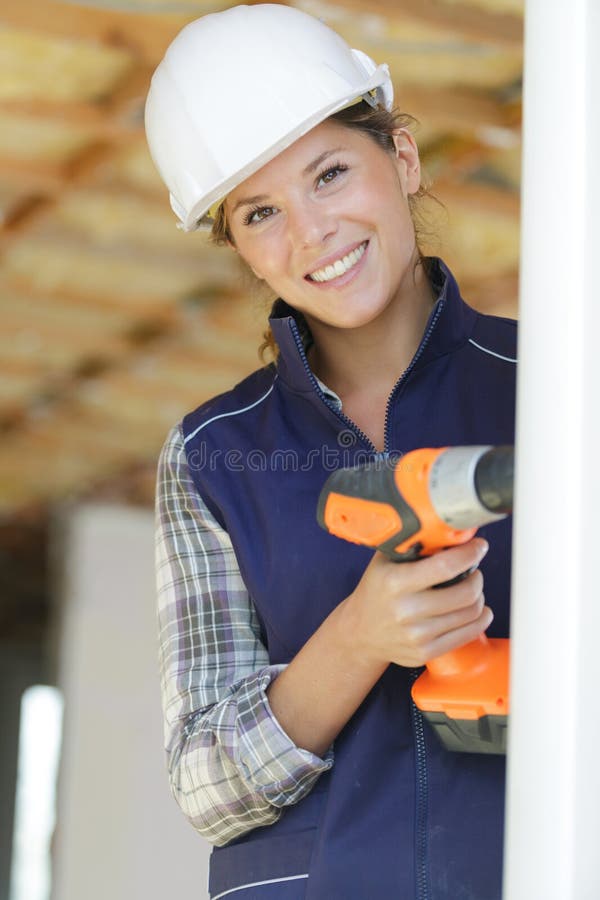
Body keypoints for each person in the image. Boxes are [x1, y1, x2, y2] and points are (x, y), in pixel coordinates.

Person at [148, 5, 517, 899]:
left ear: (403, 156)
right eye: (262, 210)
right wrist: (359, 637)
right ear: (237, 244)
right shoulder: (213, 453)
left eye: (331, 173)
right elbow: (207, 786)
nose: (310, 233)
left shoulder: (558, 390)